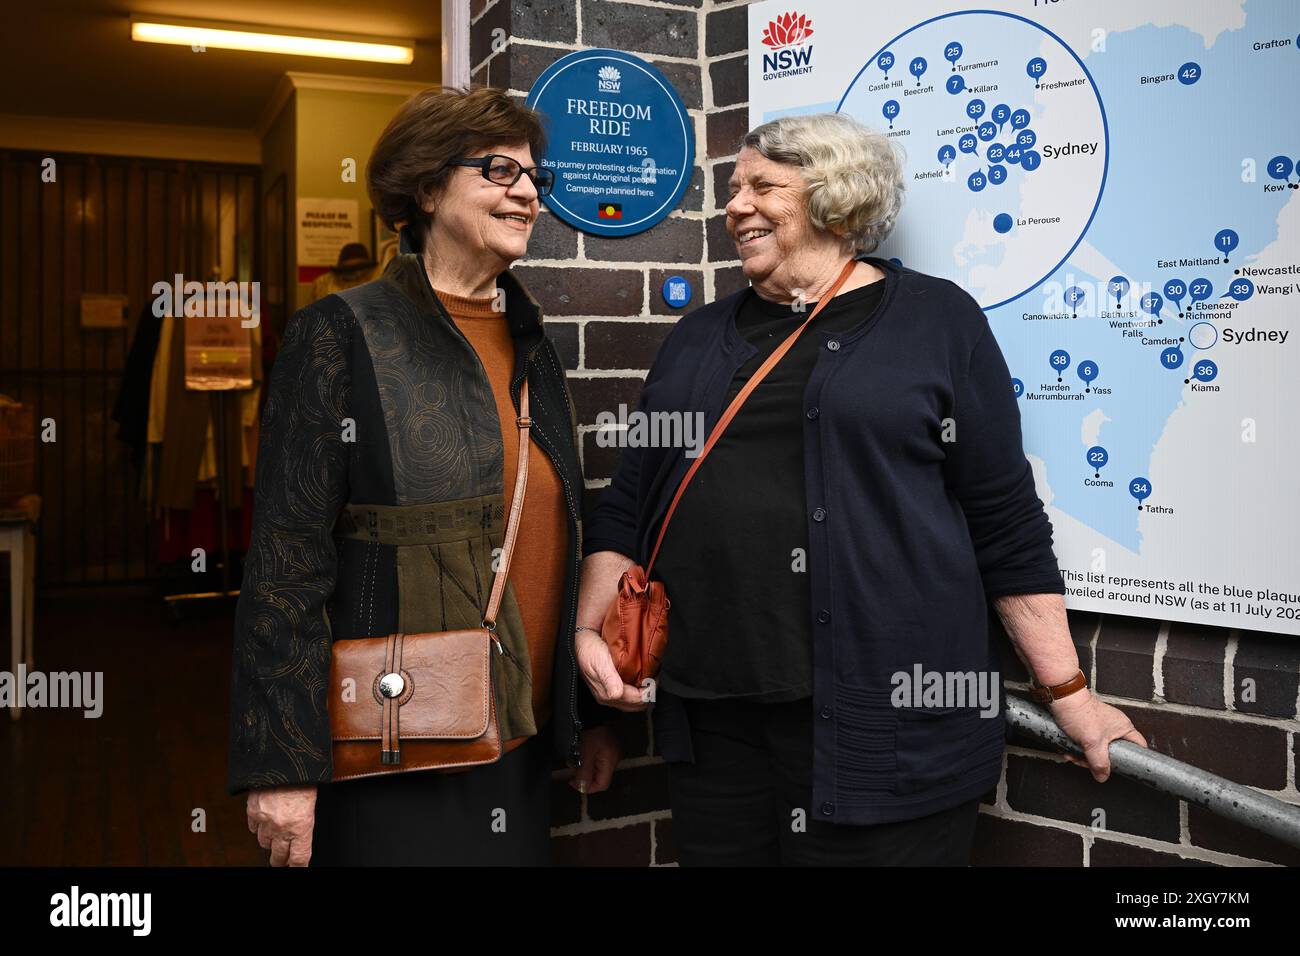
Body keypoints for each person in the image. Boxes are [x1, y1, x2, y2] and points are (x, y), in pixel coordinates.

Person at [573, 112, 1147, 866]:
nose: (734, 206)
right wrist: (593, 651)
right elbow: (630, 506)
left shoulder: (937, 322)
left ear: (834, 197)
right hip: (715, 736)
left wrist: (1068, 691)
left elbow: (1002, 518)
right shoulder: (694, 340)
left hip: (890, 734)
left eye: (760, 187)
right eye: (732, 188)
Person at [228, 86, 617, 867]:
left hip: (521, 738)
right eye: (499, 170)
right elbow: (285, 565)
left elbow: (561, 532)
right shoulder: (339, 334)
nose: (528, 191)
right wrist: (284, 765)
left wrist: (584, 719)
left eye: (536, 176)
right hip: (397, 742)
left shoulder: (531, 341)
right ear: (429, 188)